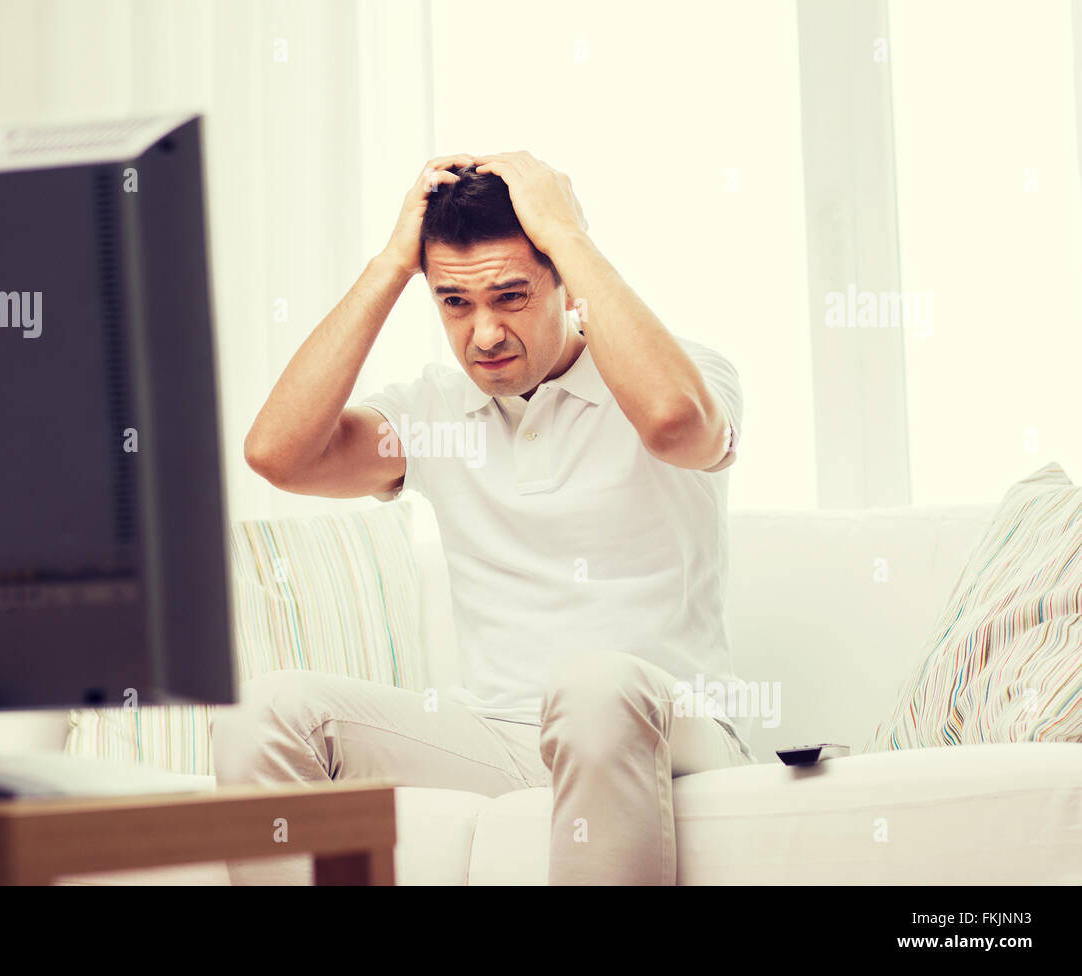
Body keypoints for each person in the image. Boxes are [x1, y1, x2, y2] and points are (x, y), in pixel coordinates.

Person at [227, 151, 756, 885]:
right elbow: (277, 455)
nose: (484, 335)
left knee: (594, 684)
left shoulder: (687, 371)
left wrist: (567, 234)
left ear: (567, 285)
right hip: (502, 741)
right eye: (455, 303)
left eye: (511, 296)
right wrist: (390, 264)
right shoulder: (435, 411)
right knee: (269, 710)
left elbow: (675, 426)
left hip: (670, 730)